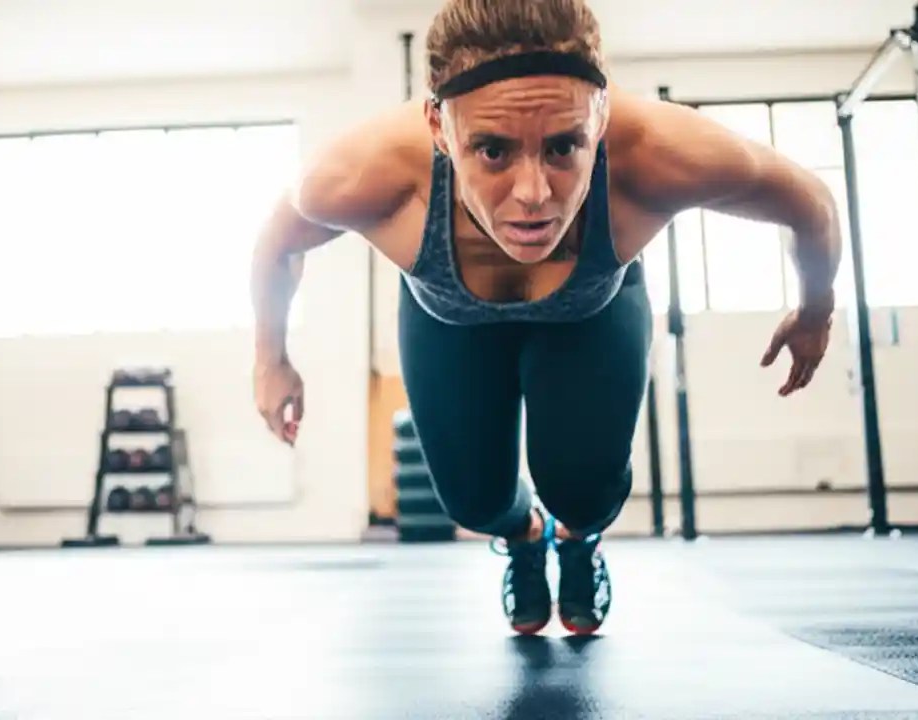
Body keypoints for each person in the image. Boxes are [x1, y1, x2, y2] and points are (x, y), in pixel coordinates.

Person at [250, 0, 840, 635]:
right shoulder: (367, 172)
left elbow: (810, 204)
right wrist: (271, 357)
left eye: (563, 146)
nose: (533, 194)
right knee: (474, 501)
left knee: (585, 493)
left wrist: (816, 309)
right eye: (493, 152)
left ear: (601, 116)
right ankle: (526, 535)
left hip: (589, 312)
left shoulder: (656, 152)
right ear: (439, 128)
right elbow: (277, 245)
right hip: (449, 321)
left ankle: (577, 537)